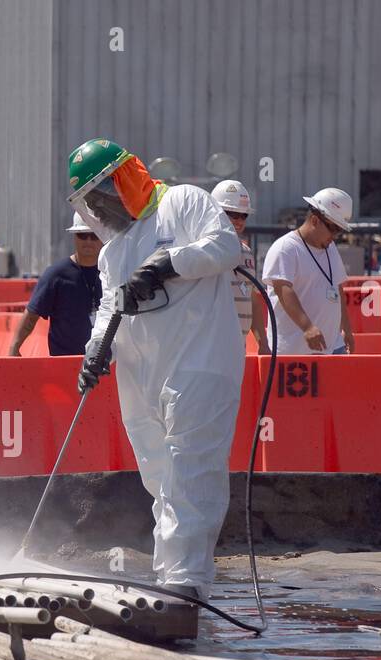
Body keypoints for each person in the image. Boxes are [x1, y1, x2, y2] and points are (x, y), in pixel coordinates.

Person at [69, 138, 243, 601]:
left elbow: (227, 248)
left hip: (199, 363)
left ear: (122, 181)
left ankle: (186, 587)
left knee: (190, 474)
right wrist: (94, 351)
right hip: (141, 375)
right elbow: (109, 308)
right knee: (159, 478)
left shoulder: (183, 202)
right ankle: (170, 579)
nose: (99, 211)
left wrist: (168, 263)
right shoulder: (113, 251)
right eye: (91, 204)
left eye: (101, 197)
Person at [261, 188, 356, 356]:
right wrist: (308, 327)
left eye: (340, 230)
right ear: (315, 220)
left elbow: (337, 288)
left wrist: (346, 330)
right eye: (334, 228)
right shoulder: (285, 248)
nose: (335, 236)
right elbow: (282, 289)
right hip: (294, 353)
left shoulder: (330, 248)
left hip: (333, 347)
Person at [9, 213, 103, 356]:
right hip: (64, 363)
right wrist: (14, 347)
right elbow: (31, 316)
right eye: (82, 235)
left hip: (103, 363)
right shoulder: (56, 274)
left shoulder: (111, 273)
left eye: (94, 235)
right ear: (74, 236)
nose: (88, 241)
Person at [210, 179, 268, 354]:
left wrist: (263, 344)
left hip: (236, 349)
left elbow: (252, 300)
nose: (239, 220)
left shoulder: (246, 252)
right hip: (208, 348)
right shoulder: (203, 251)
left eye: (244, 215)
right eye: (232, 214)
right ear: (216, 212)